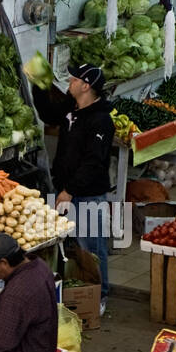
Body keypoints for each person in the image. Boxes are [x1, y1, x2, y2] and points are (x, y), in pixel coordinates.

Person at [32, 62, 114, 312]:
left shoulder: (101, 121)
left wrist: (70, 191)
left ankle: (99, 296)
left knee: (91, 248)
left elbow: (93, 163)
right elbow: (49, 114)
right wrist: (39, 82)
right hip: (65, 189)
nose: (69, 83)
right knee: (66, 247)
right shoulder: (72, 108)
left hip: (87, 196)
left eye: (74, 80)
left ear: (86, 86)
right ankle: (75, 292)